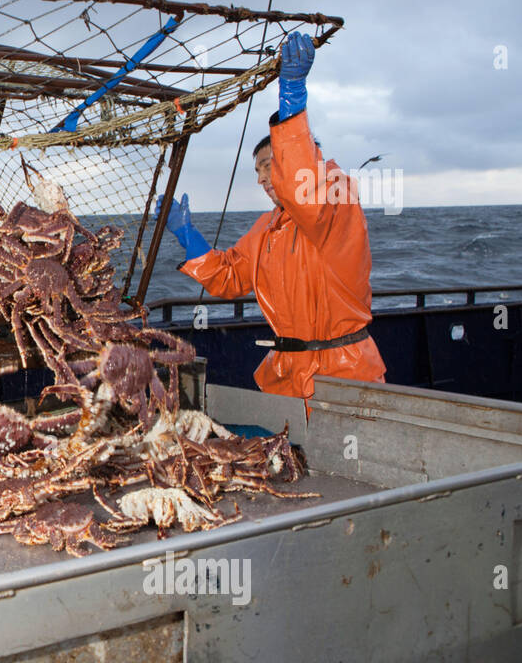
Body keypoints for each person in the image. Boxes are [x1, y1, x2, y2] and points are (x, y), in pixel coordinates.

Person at [159, 32, 386, 400]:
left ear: (299, 160)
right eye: (258, 172)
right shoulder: (268, 227)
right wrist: (187, 235)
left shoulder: (337, 199)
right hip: (286, 378)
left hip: (343, 376)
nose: (263, 178)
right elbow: (230, 276)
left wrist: (292, 98)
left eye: (268, 166)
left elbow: (305, 190)